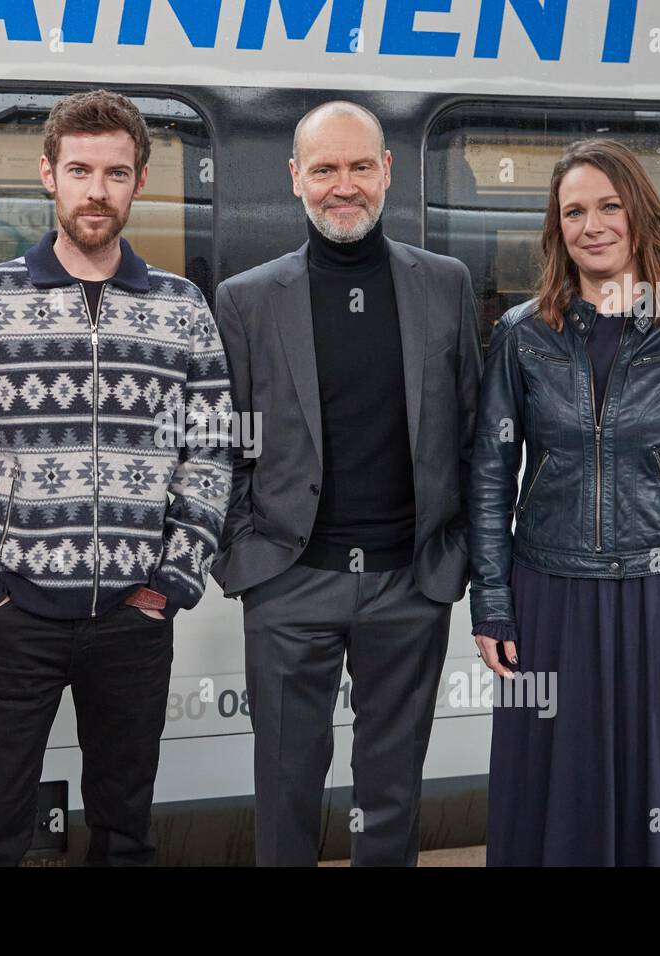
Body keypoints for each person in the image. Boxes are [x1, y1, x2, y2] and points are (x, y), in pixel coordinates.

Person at [0, 89, 231, 866]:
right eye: (81, 170)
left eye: (116, 173)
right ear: (47, 175)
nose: (98, 191)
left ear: (139, 182)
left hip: (133, 615)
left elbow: (212, 450)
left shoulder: (183, 310)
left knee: (125, 828)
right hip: (14, 614)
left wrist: (173, 580)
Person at [468, 138, 660, 866]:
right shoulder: (521, 334)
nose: (591, 225)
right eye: (573, 212)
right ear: (555, 227)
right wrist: (492, 603)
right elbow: (491, 476)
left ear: (639, 216)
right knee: (551, 794)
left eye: (607, 206)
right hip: (548, 600)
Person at [210, 101, 482, 866]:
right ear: (295, 179)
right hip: (290, 583)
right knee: (287, 789)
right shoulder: (246, 300)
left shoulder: (445, 285)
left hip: (410, 583)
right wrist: (246, 561)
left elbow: (470, 436)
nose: (344, 185)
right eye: (325, 169)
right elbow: (225, 447)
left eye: (361, 166)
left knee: (391, 795)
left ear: (387, 173)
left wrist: (452, 561)